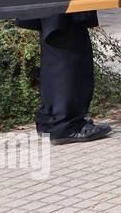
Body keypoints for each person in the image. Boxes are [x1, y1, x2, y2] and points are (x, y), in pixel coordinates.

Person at [18, 11, 112, 145]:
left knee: (55, 45)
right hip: (61, 1)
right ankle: (66, 125)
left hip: (49, 1)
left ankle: (51, 120)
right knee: (69, 46)